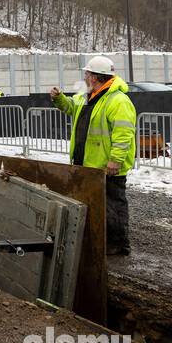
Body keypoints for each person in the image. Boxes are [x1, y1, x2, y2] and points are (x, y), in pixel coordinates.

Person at [49, 55, 137, 255]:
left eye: (87, 73)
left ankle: (118, 244)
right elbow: (71, 108)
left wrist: (115, 160)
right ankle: (97, 239)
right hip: (87, 163)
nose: (85, 76)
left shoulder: (118, 100)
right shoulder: (86, 95)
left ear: (95, 77)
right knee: (92, 203)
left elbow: (123, 134)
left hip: (107, 166)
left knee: (113, 205)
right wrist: (59, 99)